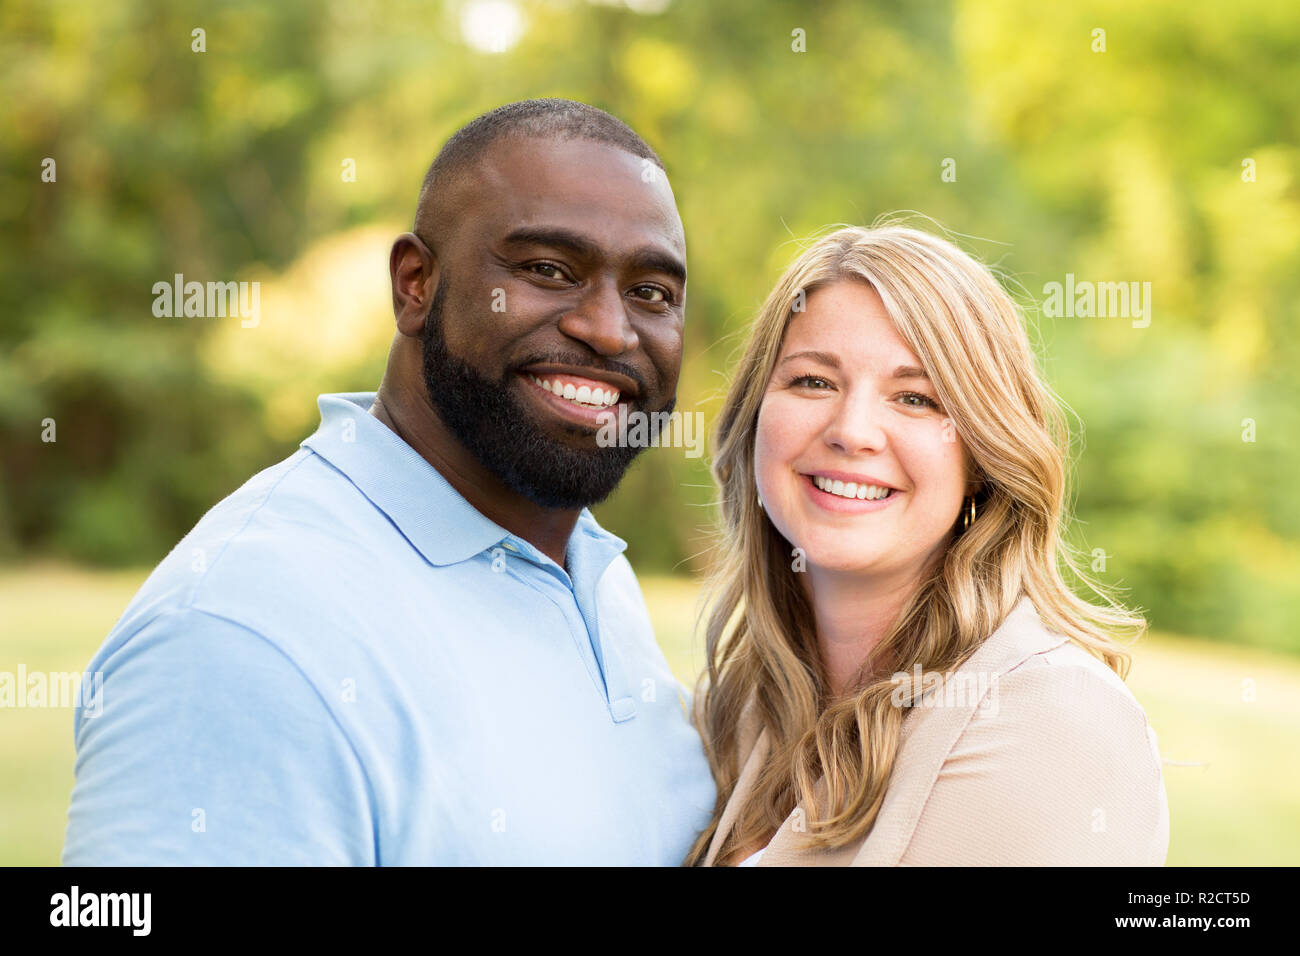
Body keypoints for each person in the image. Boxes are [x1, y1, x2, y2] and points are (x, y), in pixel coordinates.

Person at [62, 98, 715, 865]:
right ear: (415, 285)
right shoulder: (240, 632)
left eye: (651, 293)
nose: (609, 329)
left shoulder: (588, 570)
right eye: (547, 270)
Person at [685, 222, 1170, 866]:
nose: (853, 431)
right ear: (754, 419)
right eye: (813, 382)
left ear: (982, 456)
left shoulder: (1049, 716)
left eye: (915, 398)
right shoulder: (743, 706)